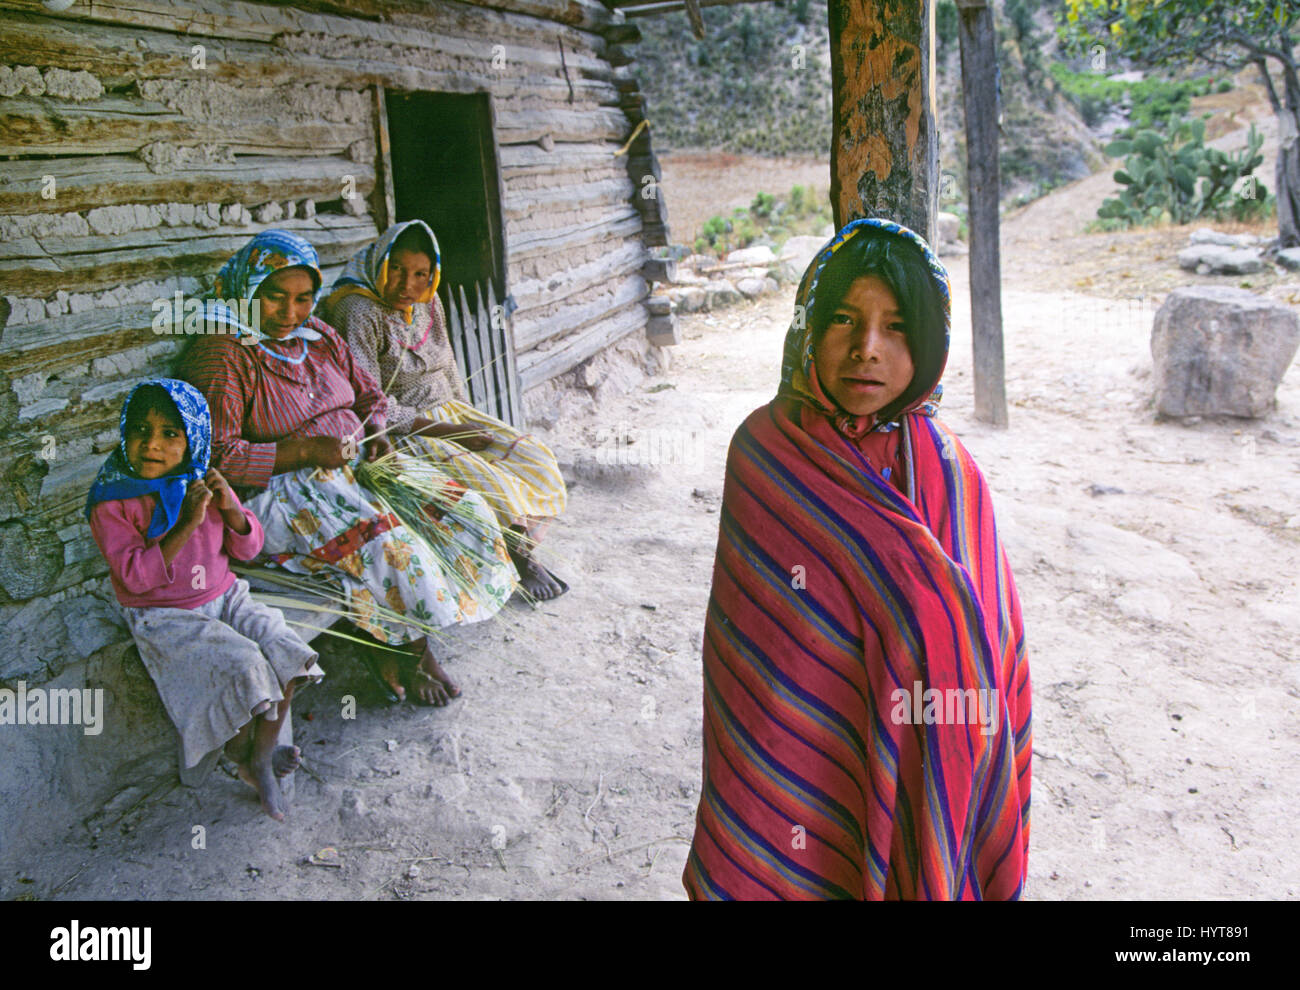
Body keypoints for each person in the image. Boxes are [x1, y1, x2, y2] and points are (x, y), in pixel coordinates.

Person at [681, 217, 1031, 900]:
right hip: (801, 764)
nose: (866, 348)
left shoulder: (949, 471)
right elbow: (762, 660)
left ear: (930, 343)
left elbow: (989, 649)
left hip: (929, 749)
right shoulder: (765, 454)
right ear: (811, 327)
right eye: (843, 319)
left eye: (897, 327)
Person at [182, 229, 517, 707]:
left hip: (354, 468)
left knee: (462, 512)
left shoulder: (318, 335)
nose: (290, 313)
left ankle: (396, 639)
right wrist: (304, 453)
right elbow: (218, 459)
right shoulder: (224, 354)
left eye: (302, 299)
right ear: (248, 288)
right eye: (274, 297)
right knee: (394, 548)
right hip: (282, 494)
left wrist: (376, 432)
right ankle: (409, 652)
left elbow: (370, 396)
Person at [86, 379, 324, 821]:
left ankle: (260, 755)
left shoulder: (202, 480)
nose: (151, 444)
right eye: (139, 430)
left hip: (225, 595)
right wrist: (187, 523)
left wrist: (231, 508)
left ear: (193, 438)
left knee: (285, 648)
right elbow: (136, 578)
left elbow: (248, 551)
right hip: (164, 614)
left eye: (170, 434)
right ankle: (244, 757)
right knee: (245, 664)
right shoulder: (112, 500)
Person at [319, 220, 569, 601]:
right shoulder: (357, 311)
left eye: (421, 274)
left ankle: (520, 547)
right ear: (379, 263)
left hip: (448, 412)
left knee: (534, 456)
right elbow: (368, 403)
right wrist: (451, 434)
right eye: (397, 270)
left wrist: (465, 417)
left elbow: (448, 363)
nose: (407, 285)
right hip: (404, 427)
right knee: (490, 485)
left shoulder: (428, 301)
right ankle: (518, 560)